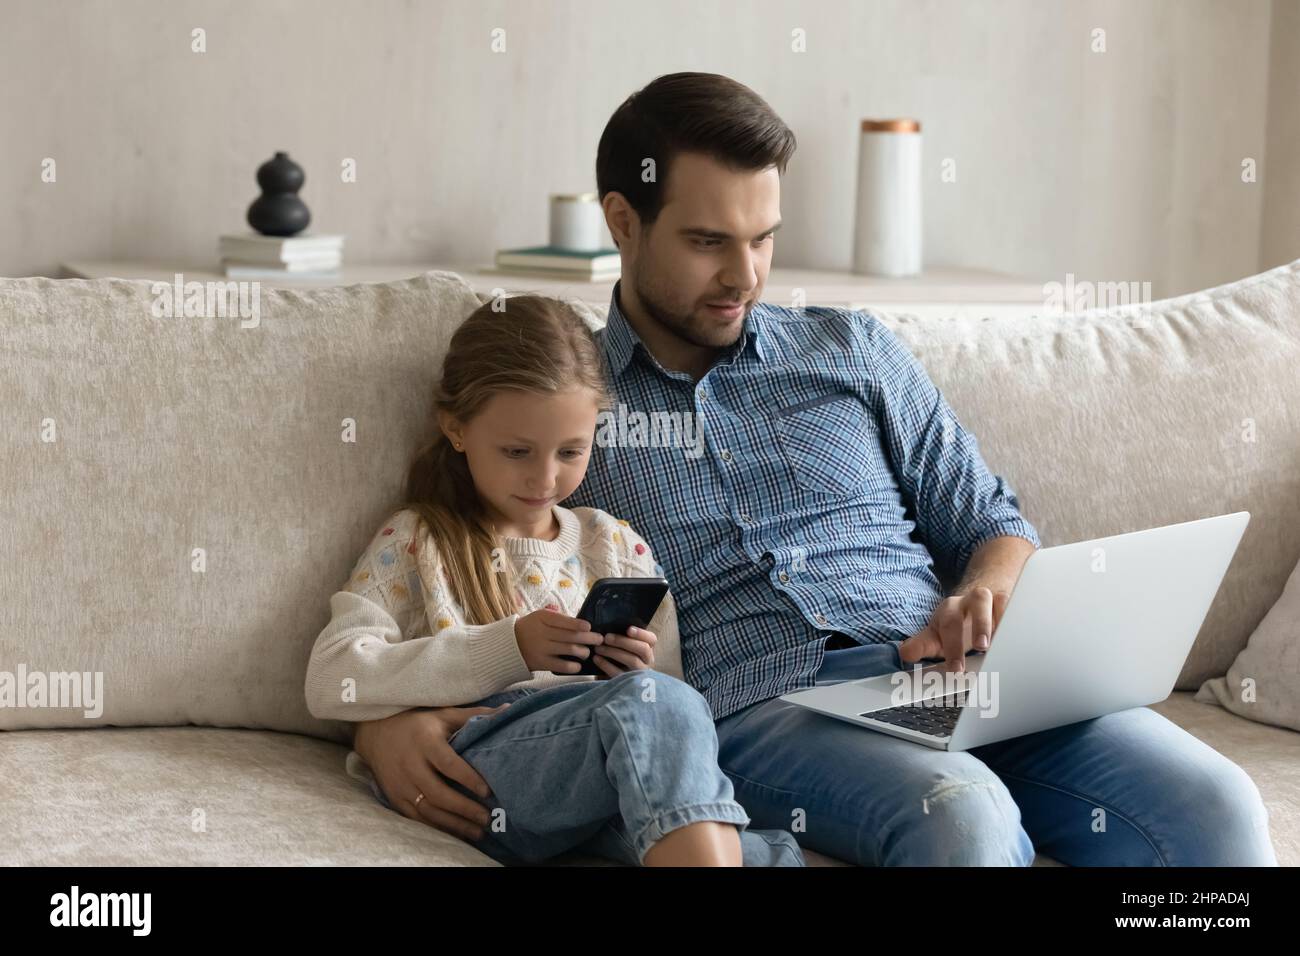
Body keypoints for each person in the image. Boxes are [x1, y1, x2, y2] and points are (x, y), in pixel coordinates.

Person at [354, 71, 1276, 866]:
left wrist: (984, 594)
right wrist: (380, 724)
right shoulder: (564, 411)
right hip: (763, 709)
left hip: (949, 678)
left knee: (1216, 804)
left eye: (763, 238)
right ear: (624, 223)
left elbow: (992, 520)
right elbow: (452, 581)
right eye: (709, 241)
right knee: (961, 813)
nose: (746, 274)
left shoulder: (853, 349)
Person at [305, 294, 803, 867]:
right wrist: (508, 647)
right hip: (485, 771)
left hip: (598, 787)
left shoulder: (615, 545)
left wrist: (635, 666)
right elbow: (331, 676)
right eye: (517, 451)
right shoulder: (419, 539)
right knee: (654, 710)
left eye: (571, 451)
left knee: (767, 855)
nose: (544, 478)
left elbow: (674, 721)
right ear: (457, 429)